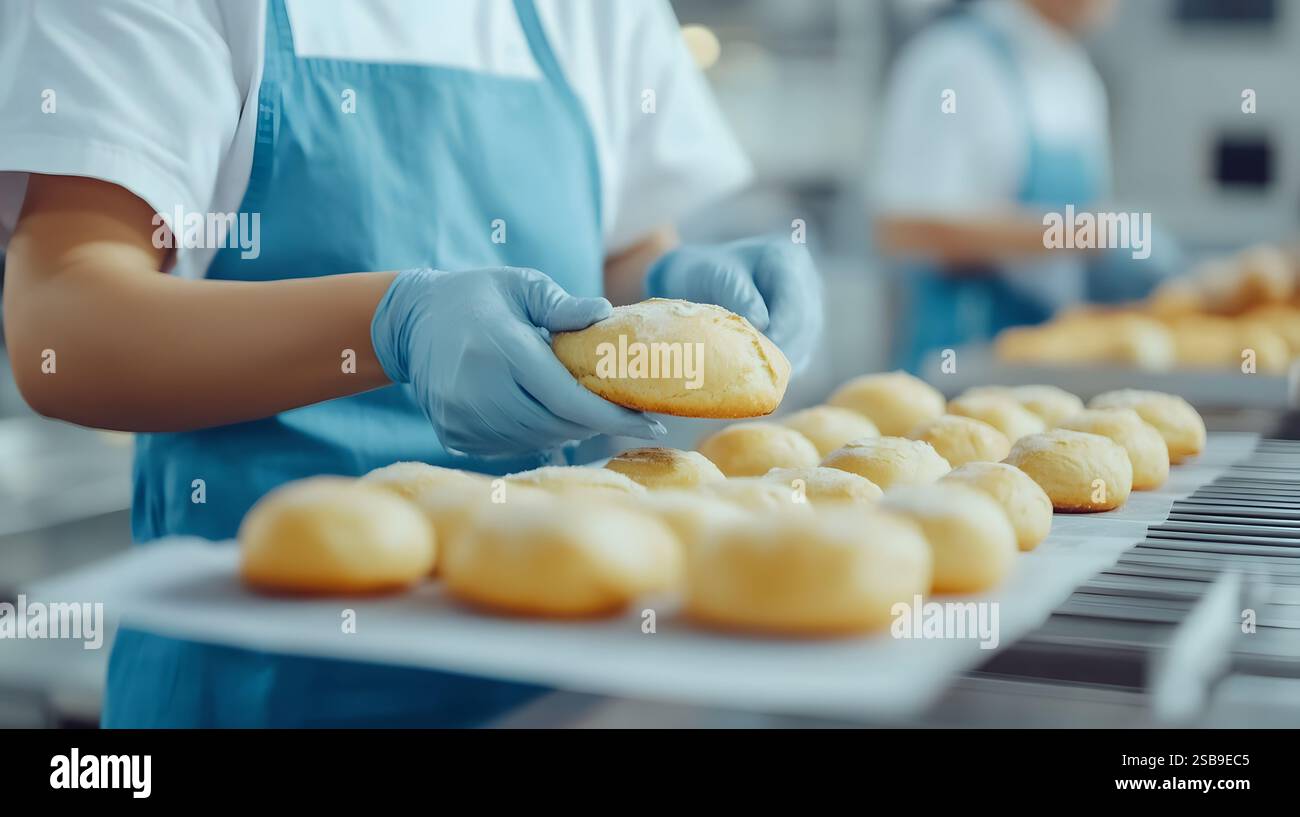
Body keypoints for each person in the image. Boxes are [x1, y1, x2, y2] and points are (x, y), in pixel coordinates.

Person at [0, 0, 822, 727]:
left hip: (566, 676)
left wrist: (671, 290)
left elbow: (619, 250)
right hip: (264, 683)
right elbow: (66, 325)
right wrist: (388, 324)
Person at [872, 0, 1170, 372]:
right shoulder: (955, 64)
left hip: (1052, 353)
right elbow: (905, 230)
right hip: (959, 355)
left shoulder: (1075, 73)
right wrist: (1074, 234)